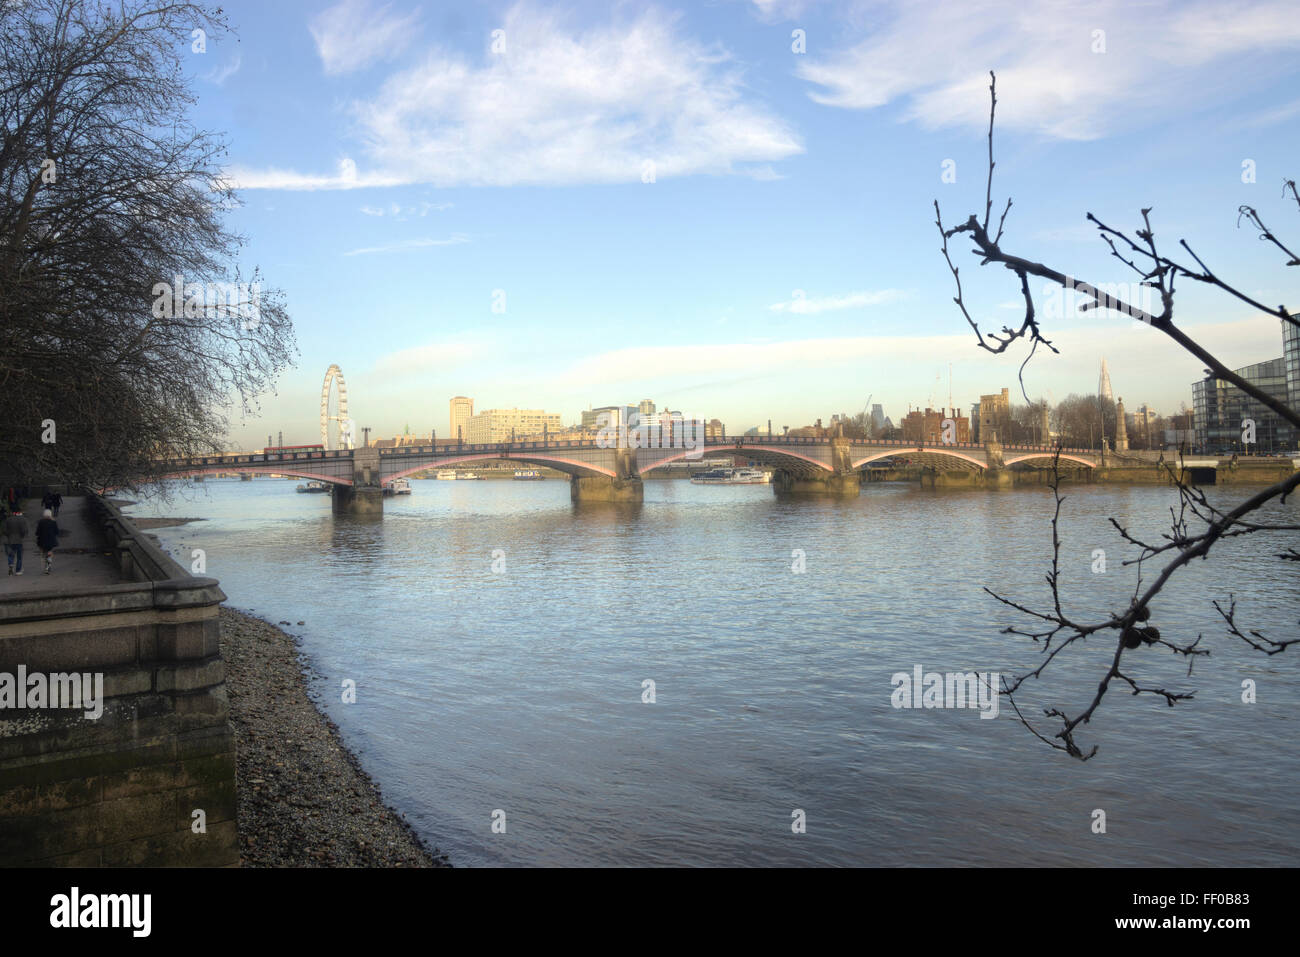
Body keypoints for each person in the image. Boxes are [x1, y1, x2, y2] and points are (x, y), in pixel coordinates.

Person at [3, 505, 28, 576]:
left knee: (10, 555)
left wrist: (9, 535)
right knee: (19, 556)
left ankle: (11, 565)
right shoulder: (22, 519)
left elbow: (4, 531)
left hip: (10, 540)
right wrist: (22, 536)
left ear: (12, 512)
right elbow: (24, 530)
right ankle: (18, 570)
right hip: (19, 540)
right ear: (18, 512)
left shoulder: (8, 519)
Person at [35, 509, 59, 575]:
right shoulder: (54, 522)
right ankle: (48, 566)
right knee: (49, 553)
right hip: (51, 541)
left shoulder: (41, 522)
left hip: (42, 541)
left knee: (43, 554)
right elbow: (57, 532)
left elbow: (37, 532)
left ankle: (46, 566)